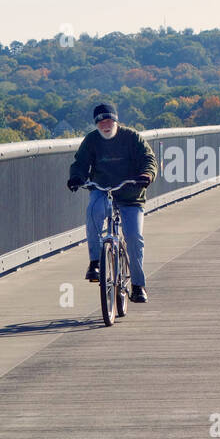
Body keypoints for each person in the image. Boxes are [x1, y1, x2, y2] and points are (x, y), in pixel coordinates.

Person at [67, 103, 157, 302]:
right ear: (96, 124)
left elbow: (149, 159)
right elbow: (80, 163)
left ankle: (138, 285)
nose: (105, 125)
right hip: (102, 189)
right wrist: (76, 177)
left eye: (109, 120)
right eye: (101, 122)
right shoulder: (91, 140)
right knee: (93, 212)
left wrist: (146, 174)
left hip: (131, 193)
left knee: (133, 237)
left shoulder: (132, 137)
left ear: (116, 121)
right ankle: (95, 263)